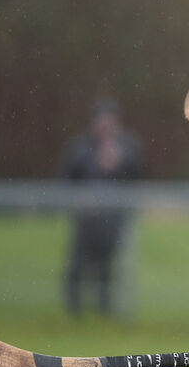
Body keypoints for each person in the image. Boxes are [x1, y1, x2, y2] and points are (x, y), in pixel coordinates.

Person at [58, 97, 144, 317]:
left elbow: (137, 175)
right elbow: (68, 178)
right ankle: (73, 311)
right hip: (86, 220)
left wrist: (119, 160)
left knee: (107, 268)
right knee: (77, 265)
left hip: (112, 221)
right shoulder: (81, 147)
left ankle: (104, 310)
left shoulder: (126, 147)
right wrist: (78, 199)